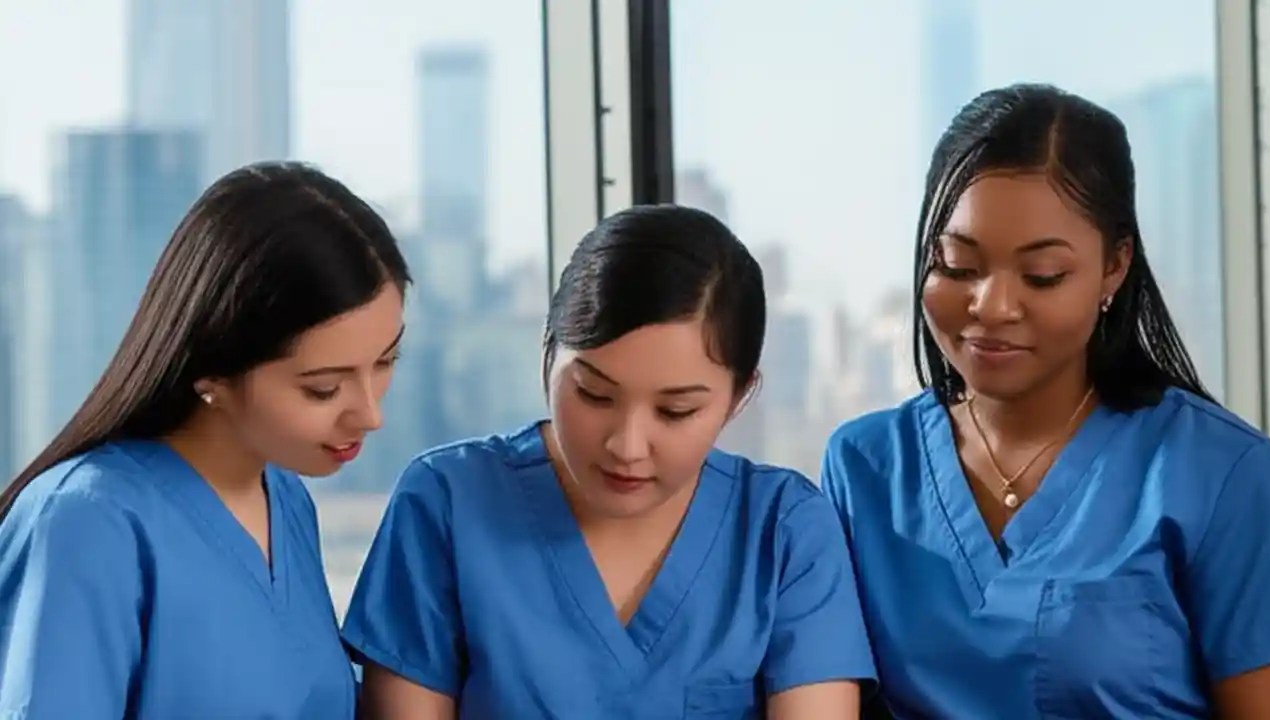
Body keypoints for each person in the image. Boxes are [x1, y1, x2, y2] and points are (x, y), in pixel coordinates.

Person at [822, 83, 1270, 719]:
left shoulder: (1226, 476)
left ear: (1114, 267)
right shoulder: (864, 467)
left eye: (1042, 276)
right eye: (957, 265)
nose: (992, 307)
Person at [341, 205, 876, 719]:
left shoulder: (784, 530)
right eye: (594, 396)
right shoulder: (447, 503)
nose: (627, 445)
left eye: (676, 410)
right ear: (547, 353)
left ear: (739, 397)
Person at [0, 162, 412, 719]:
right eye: (323, 389)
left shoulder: (287, 501)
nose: (369, 413)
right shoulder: (87, 521)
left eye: (386, 362)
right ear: (211, 375)